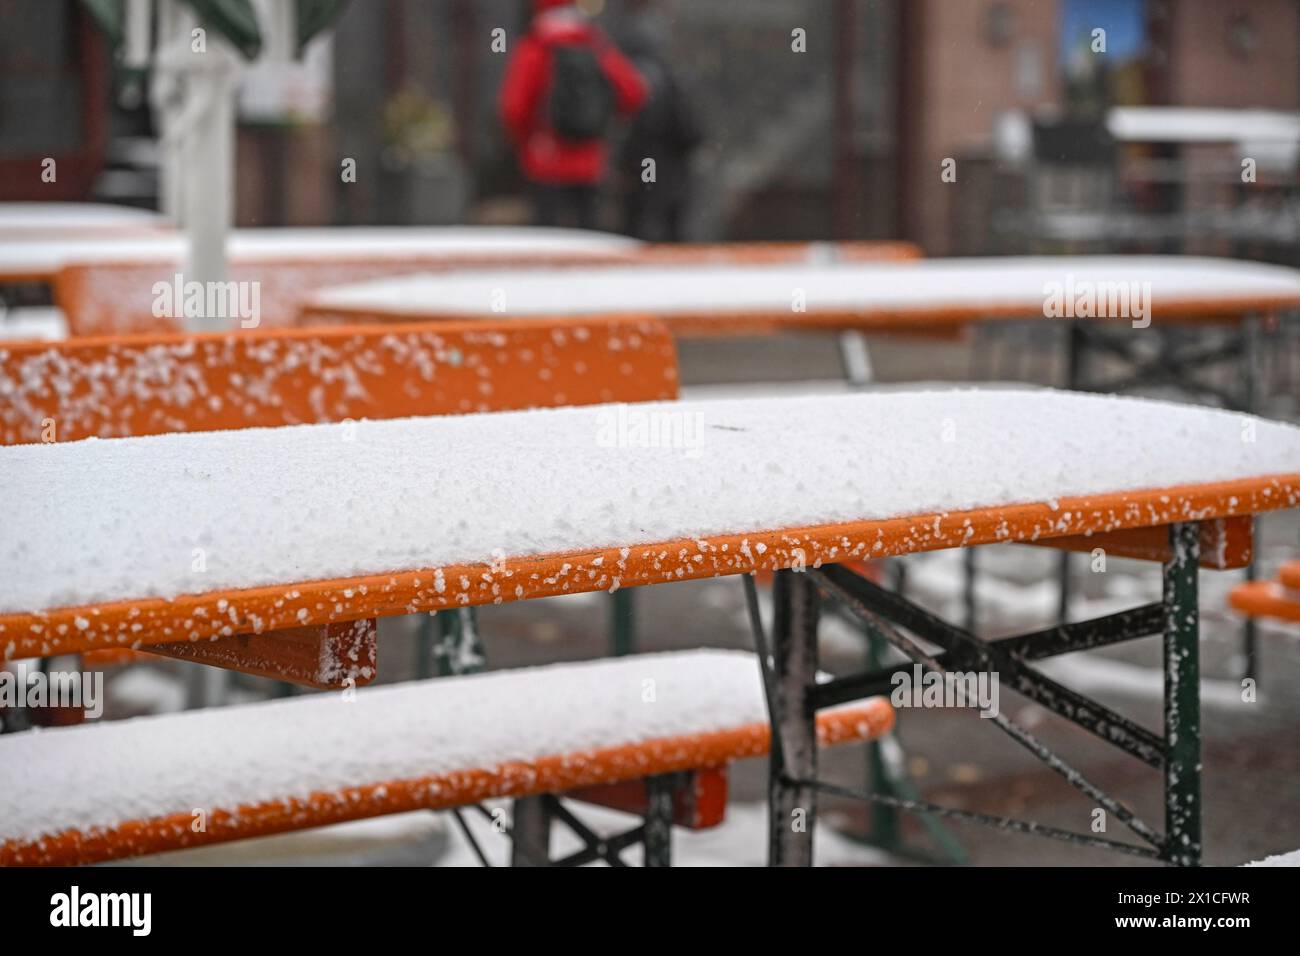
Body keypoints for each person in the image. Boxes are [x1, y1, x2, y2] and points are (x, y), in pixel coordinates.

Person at [499, 0, 648, 230]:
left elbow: (513, 109)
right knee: (589, 239)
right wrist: (604, 121)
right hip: (590, 164)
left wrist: (527, 142)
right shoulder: (595, 43)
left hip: (545, 163)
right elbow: (634, 92)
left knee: (548, 240)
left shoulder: (536, 46)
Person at [617, 15, 702, 242]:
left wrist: (627, 159)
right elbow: (689, 129)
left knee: (643, 220)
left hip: (648, 162)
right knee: (670, 226)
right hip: (671, 166)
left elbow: (639, 127)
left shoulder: (638, 76)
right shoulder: (670, 76)